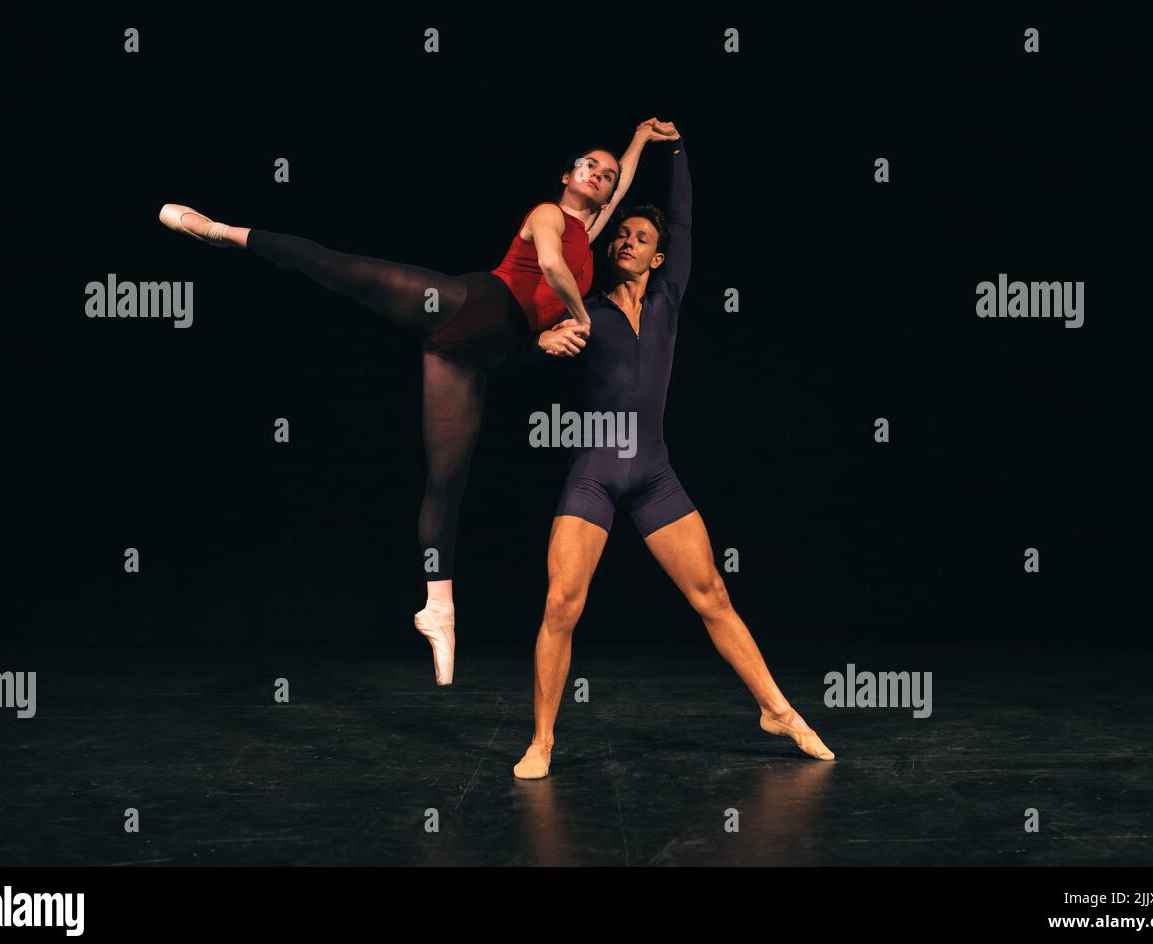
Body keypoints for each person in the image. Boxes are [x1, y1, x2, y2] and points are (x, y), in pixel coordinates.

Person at [158, 120, 682, 686]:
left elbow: (623, 185)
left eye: (608, 176)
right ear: (567, 176)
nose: (603, 178)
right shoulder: (548, 215)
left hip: (478, 356)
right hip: (467, 309)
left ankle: (439, 609)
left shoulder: (596, 224)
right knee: (337, 268)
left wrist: (637, 141)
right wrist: (577, 319)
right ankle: (219, 231)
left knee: (447, 481)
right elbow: (552, 267)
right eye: (591, 168)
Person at [513, 127, 836, 779]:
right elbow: (523, 334)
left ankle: (776, 709)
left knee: (713, 593)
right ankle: (542, 741)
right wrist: (541, 342)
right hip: (596, 476)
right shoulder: (587, 312)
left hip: (655, 476)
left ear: (659, 257)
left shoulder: (668, 296)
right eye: (621, 234)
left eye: (639, 237)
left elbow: (683, 219)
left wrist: (680, 151)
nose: (626, 240)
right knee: (560, 605)